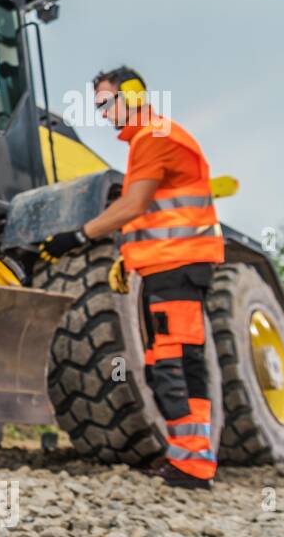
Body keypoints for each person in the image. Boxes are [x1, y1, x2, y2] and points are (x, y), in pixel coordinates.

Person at [38, 67, 224, 489]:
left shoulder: (153, 136)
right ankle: (186, 459)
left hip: (177, 266)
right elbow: (152, 213)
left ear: (133, 94)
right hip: (168, 266)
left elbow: (134, 204)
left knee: (175, 364)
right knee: (170, 361)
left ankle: (194, 466)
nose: (103, 114)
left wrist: (76, 236)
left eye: (106, 103)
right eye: (98, 106)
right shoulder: (153, 138)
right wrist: (127, 257)